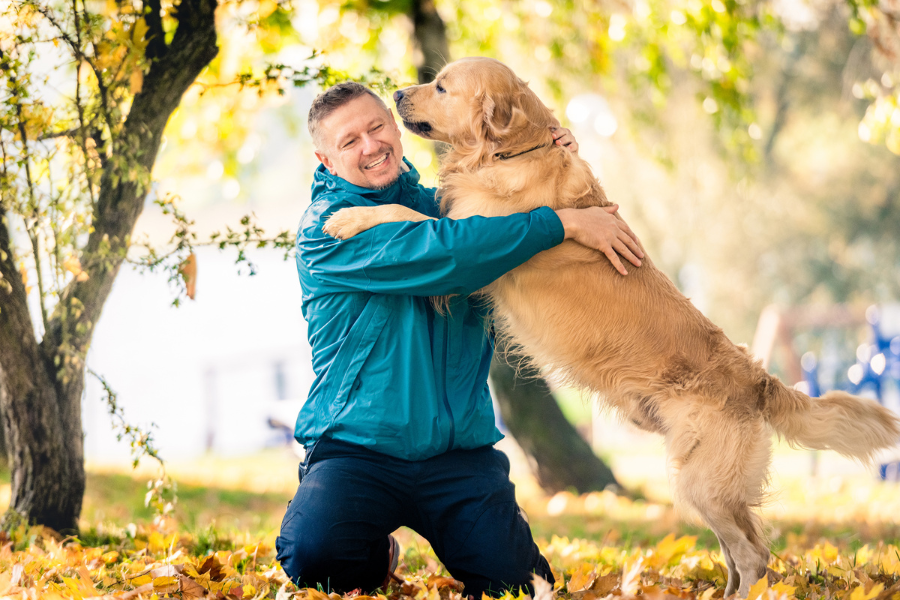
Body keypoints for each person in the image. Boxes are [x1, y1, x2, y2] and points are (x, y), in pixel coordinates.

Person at [276, 81, 644, 598]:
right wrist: (562, 223)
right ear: (326, 158)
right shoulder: (329, 228)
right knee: (316, 558)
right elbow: (450, 254)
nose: (370, 145)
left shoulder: (445, 202)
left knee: (520, 586)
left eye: (377, 127)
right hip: (357, 450)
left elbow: (495, 215)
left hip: (457, 454)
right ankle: (371, 552)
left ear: (394, 125)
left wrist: (547, 159)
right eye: (349, 140)